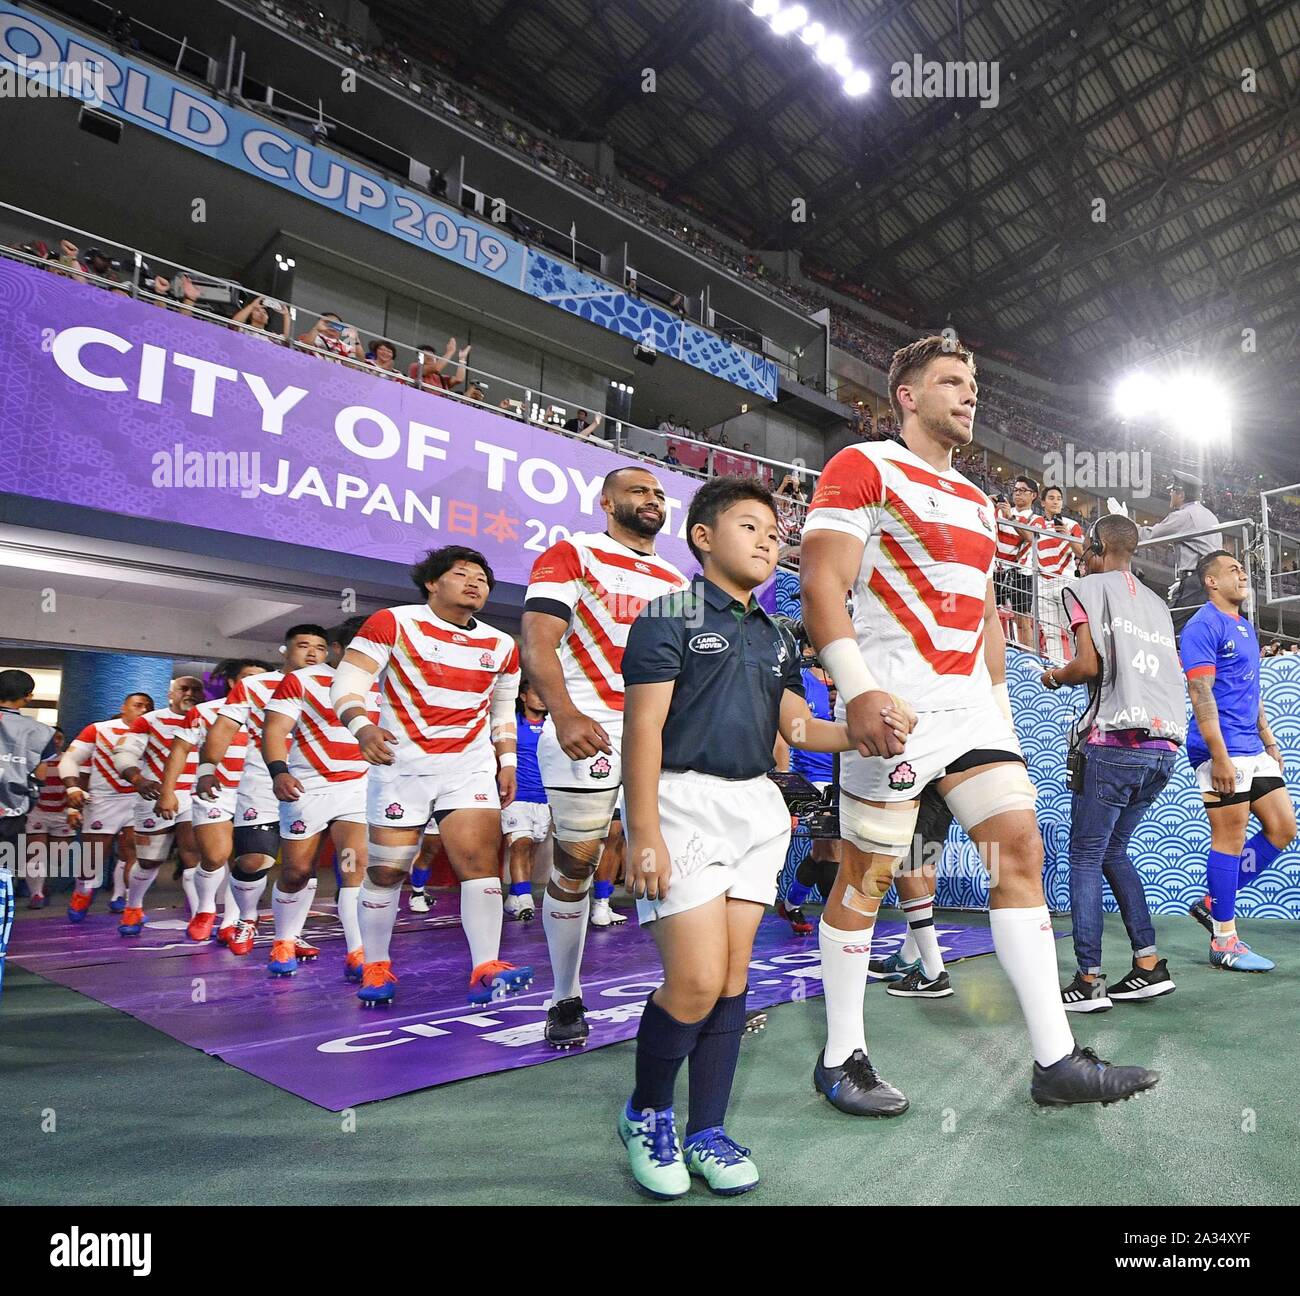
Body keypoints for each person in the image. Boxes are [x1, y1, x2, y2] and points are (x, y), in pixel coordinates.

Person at [799, 334, 1160, 1114]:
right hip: (889, 707)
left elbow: (991, 622)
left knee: (1018, 850)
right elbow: (821, 579)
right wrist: (856, 688)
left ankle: (1055, 1060)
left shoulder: (976, 502)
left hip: (970, 711)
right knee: (869, 876)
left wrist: (1001, 716)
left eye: (974, 385)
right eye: (953, 383)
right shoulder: (862, 466)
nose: (970, 397)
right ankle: (840, 1056)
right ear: (907, 395)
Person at [617, 475, 853, 1199]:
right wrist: (644, 829)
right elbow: (643, 730)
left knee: (729, 981)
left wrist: (865, 733)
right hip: (681, 802)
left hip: (758, 807)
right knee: (691, 981)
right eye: (749, 526)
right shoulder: (668, 616)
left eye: (773, 530)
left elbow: (800, 728)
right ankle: (647, 1112)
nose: (767, 538)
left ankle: (707, 1131)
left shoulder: (778, 635)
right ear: (703, 536)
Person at [521, 467, 690, 1049]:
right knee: (577, 864)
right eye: (638, 491)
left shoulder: (675, 576)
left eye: (659, 494)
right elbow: (538, 636)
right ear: (606, 501)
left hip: (660, 737)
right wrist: (563, 711)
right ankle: (564, 996)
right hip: (587, 727)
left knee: (675, 861)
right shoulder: (573, 553)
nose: (652, 500)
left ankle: (692, 989)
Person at [332, 546, 532, 1007]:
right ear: (431, 583)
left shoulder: (502, 645)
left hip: (468, 767)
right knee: (384, 871)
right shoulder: (392, 622)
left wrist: (507, 763)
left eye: (482, 578)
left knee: (480, 866)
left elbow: (502, 711)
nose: (474, 582)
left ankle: (486, 966)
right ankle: (377, 964)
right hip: (401, 768)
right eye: (461, 574)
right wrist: (362, 727)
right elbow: (348, 682)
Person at [1041, 515, 1185, 1010]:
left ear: (1098, 546)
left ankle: (1088, 979)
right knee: (1112, 852)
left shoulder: (1082, 587)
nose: (1081, 557)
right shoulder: (1159, 604)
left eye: (1085, 548)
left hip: (1113, 744)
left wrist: (1054, 678)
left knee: (1084, 857)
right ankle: (1148, 965)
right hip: (1162, 750)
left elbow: (1087, 665)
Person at [1181, 550, 1296, 971]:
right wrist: (1219, 757)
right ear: (1211, 581)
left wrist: (1268, 739)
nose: (1243, 574)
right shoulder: (1201, 626)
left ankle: (1214, 903)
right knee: (1228, 840)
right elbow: (1201, 693)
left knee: (1283, 828)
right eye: (1233, 570)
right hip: (1222, 747)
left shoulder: (1244, 626)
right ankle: (1224, 941)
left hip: (1251, 744)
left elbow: (1252, 690)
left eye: (1242, 569)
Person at [197, 626, 331, 957]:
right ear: (285, 651)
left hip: (315, 787)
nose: (312, 653)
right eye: (303, 645)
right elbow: (225, 726)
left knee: (302, 867)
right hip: (262, 783)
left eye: (320, 647)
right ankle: (246, 917)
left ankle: (292, 935)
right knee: (255, 859)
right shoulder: (254, 686)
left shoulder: (335, 687)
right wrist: (206, 768)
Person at [262, 651, 378, 980]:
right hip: (307, 788)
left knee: (354, 866)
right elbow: (274, 730)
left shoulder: (381, 683)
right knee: (297, 871)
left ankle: (358, 952)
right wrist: (278, 772)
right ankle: (284, 940)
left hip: (358, 789)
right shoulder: (302, 679)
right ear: (340, 648)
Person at [156, 661, 266, 944]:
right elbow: (179, 750)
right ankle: (205, 909)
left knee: (244, 862)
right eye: (248, 678)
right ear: (233, 683)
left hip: (259, 795)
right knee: (215, 856)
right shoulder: (204, 712)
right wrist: (168, 791)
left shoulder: (278, 713)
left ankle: (231, 921)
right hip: (215, 791)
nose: (255, 684)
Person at [110, 677, 206, 936]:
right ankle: (134, 906)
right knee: (149, 861)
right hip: (155, 795)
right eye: (184, 689)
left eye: (196, 690)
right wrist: (138, 779)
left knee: (193, 856)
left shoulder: (211, 718)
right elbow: (124, 753)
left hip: (195, 796)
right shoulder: (150, 720)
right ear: (170, 695)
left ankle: (200, 919)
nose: (190, 694)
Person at [60, 692, 154, 918]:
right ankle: (83, 891)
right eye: (137, 705)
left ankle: (132, 904)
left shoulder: (156, 731)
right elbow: (71, 760)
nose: (143, 710)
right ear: (124, 707)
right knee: (92, 857)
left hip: (139, 798)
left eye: (147, 707)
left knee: (137, 853)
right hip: (103, 799)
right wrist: (72, 791)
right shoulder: (99, 729)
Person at [1133, 473, 1223, 634]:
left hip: (1196, 583)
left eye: (1173, 491)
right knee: (1195, 632)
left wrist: (1124, 520)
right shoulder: (1209, 515)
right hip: (1208, 581)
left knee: (1166, 630)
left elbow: (1150, 536)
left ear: (1181, 494)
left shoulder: (1185, 515)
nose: (1170, 494)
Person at [502, 682, 550, 922]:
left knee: (530, 849)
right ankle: (525, 900)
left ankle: (514, 898)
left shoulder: (553, 726)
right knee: (520, 844)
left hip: (544, 799)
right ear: (523, 696)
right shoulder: (510, 725)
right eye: (536, 693)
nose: (542, 699)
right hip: (516, 797)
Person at [1036, 486, 1085, 665]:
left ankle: (1079, 665)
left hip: (1067, 582)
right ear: (1043, 502)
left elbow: (1081, 552)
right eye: (1051, 498)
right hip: (1044, 582)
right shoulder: (1035, 524)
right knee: (1050, 631)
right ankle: (1057, 667)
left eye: (1058, 498)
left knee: (1073, 628)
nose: (1056, 501)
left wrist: (1068, 536)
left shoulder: (1072, 525)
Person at [994, 475, 1044, 649]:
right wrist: (987, 501)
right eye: (1015, 490)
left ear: (1033, 495)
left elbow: (1031, 537)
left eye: (1023, 490)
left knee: (1022, 618)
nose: (1018, 494)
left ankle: (1027, 657)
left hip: (1021, 572)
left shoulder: (1036, 519)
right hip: (996, 568)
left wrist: (1011, 517)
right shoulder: (1000, 510)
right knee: (991, 613)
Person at [24, 728, 71, 908]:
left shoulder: (70, 759)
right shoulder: (34, 759)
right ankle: (36, 894)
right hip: (38, 812)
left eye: (59, 738)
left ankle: (42, 885)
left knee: (58, 857)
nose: (56, 742)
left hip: (62, 813)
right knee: (36, 853)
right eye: (52, 739)